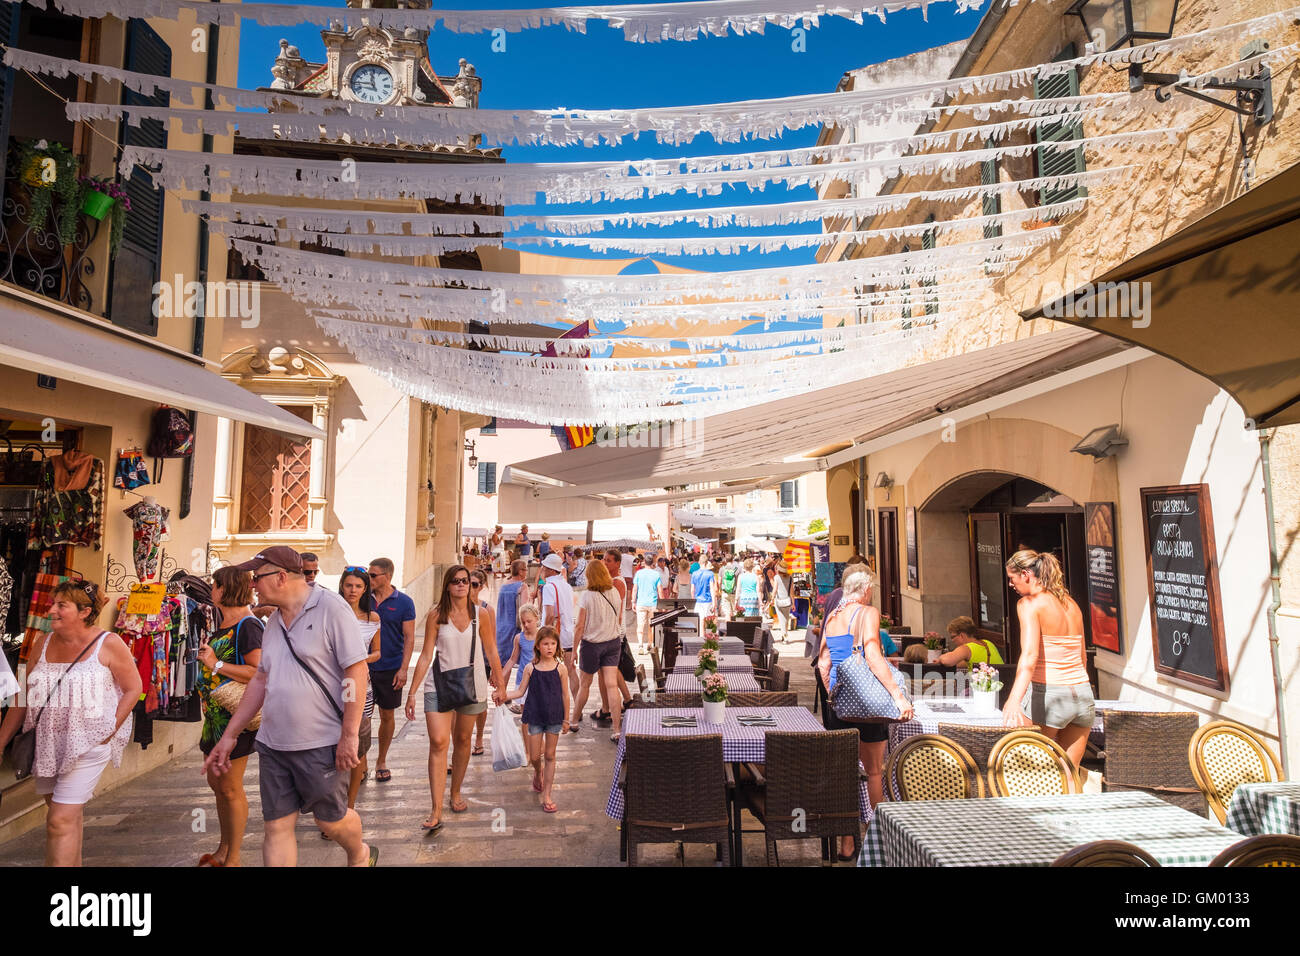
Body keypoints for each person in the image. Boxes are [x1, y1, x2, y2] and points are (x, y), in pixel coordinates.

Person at [203, 547, 376, 867]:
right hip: (272, 743)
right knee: (277, 827)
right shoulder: (271, 623)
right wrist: (230, 734)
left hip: (320, 742)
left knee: (330, 822)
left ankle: (359, 852)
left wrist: (349, 735)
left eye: (257, 577)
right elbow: (260, 680)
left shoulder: (331, 608)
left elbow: (356, 670)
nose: (252, 585)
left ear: (281, 577)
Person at [0, 581, 139, 867]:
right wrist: (1, 741)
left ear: (85, 611)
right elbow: (22, 693)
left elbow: (133, 687)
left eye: (61, 605)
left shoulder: (109, 643)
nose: (51, 610)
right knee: (65, 817)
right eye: (53, 603)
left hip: (88, 744)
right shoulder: (41, 642)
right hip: (47, 744)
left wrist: (109, 729)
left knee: (58, 821)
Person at [817, 568, 912, 860]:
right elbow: (873, 655)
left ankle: (847, 843)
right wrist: (897, 696)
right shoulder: (867, 613)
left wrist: (834, 696)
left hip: (840, 705)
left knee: (845, 771)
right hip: (867, 706)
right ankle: (876, 840)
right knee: (873, 770)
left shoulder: (833, 617)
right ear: (867, 588)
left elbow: (823, 663)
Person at [405, 565, 505, 833]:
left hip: (473, 685)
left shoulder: (480, 615)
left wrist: (501, 685)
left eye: (467, 582)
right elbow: (426, 655)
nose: (462, 585)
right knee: (439, 742)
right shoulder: (436, 616)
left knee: (463, 740)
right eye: (456, 581)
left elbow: (492, 650)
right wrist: (412, 692)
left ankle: (456, 792)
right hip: (438, 684)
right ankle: (436, 809)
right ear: (447, 585)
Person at [195, 566, 264, 866]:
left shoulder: (249, 627)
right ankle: (223, 849)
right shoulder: (224, 623)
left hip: (236, 720)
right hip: (215, 719)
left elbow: (258, 672)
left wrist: (215, 665)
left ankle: (234, 857)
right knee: (219, 785)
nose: (212, 590)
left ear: (225, 589)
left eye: (215, 585)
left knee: (231, 788)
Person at [1001, 549, 1092, 770]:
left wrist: (1014, 699)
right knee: (1069, 771)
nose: (1011, 585)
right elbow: (1082, 657)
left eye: (1012, 579)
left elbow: (1030, 656)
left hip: (1050, 693)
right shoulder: (1071, 604)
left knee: (1033, 771)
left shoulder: (1029, 604)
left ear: (1025, 574)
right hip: (1082, 692)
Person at [506, 626, 570, 813]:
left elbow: (565, 695)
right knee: (535, 756)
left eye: (552, 643)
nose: (549, 647)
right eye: (545, 644)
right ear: (538, 646)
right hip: (534, 715)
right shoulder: (530, 668)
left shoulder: (561, 669)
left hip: (554, 716)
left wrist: (566, 719)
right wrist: (503, 695)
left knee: (550, 755)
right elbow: (519, 691)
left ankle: (547, 795)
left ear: (557, 645)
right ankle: (537, 772)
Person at [367, 557, 416, 783]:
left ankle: (381, 760)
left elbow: (409, 638)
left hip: (390, 668)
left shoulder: (404, 603)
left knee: (387, 715)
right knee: (360, 717)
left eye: (373, 575)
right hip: (364, 668)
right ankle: (361, 762)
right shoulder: (363, 599)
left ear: (387, 576)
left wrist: (404, 669)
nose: (369, 578)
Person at [338, 567, 382, 814]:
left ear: (365, 589)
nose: (353, 590)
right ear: (342, 586)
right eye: (348, 585)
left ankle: (349, 806)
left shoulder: (372, 619)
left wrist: (360, 660)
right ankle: (333, 804)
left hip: (361, 687)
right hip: (333, 688)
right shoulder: (332, 614)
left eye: (358, 586)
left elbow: (378, 652)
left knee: (357, 745)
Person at [568, 559, 626, 742]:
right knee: (611, 686)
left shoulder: (587, 596)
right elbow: (619, 617)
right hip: (612, 642)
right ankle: (616, 730)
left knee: (585, 684)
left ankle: (574, 721)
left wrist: (574, 649)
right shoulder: (615, 592)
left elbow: (579, 626)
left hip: (592, 645)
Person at [469, 568, 496, 757]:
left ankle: (478, 737)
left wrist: (495, 669)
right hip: (460, 661)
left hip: (481, 661)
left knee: (480, 701)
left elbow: (491, 641)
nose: (470, 588)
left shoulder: (486, 609)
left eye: (475, 584)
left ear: (482, 587)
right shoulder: (455, 607)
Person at [539, 553, 575, 692]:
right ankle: (577, 706)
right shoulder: (566, 585)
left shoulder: (549, 587)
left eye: (544, 567)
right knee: (571, 672)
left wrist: (543, 635)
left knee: (550, 669)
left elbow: (549, 614)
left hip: (554, 636)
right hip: (568, 632)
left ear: (551, 570)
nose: (542, 570)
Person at [503, 603, 541, 713]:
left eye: (529, 621)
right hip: (522, 679)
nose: (526, 625)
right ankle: (525, 729)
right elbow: (512, 659)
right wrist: (501, 675)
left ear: (537, 618)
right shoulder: (519, 638)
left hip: (539, 678)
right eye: (523, 622)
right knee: (525, 712)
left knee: (538, 710)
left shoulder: (542, 636)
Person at [496, 559, 528, 684]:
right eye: (525, 569)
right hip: (514, 628)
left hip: (501, 627)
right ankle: (512, 692)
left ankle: (501, 690)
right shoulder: (522, 587)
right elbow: (524, 610)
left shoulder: (504, 586)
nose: (526, 572)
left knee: (504, 662)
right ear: (520, 571)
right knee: (515, 661)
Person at [936, 615, 1004, 666]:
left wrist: (940, 658)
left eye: (953, 637)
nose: (952, 640)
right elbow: (962, 664)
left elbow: (947, 661)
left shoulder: (966, 648)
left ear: (962, 635)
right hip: (1001, 683)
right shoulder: (988, 643)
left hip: (984, 684)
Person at [632, 555, 663, 653]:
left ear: (644, 562)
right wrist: (662, 603)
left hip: (641, 603)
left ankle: (640, 645)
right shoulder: (656, 574)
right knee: (652, 625)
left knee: (640, 625)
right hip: (653, 603)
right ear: (653, 563)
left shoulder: (638, 573)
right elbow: (660, 590)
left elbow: (635, 589)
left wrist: (633, 601)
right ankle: (650, 644)